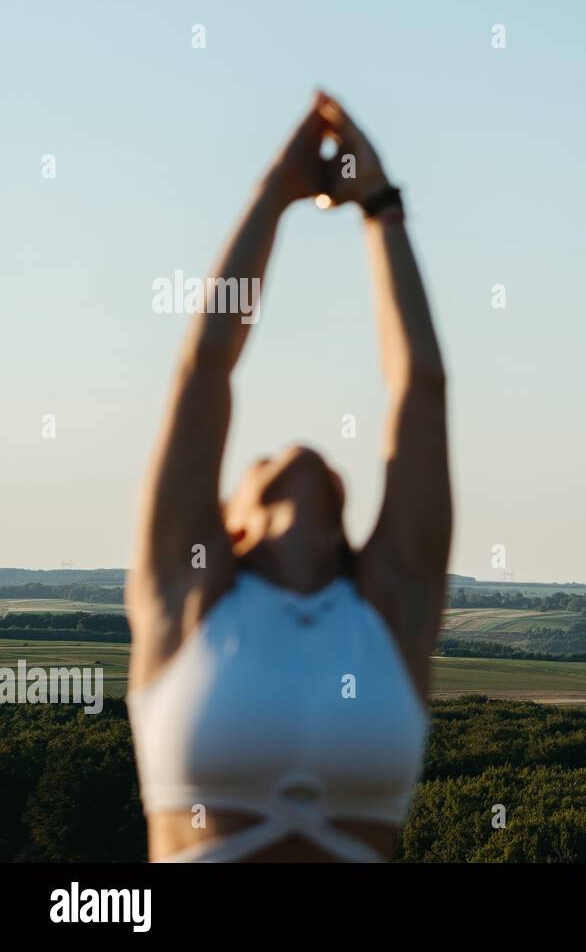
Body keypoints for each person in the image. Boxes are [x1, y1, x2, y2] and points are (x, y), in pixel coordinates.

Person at [125, 92, 451, 862]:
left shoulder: (390, 608)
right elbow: (203, 371)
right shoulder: (184, 598)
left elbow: (419, 389)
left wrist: (382, 205)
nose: (294, 450)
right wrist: (274, 193)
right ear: (225, 526)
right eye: (262, 460)